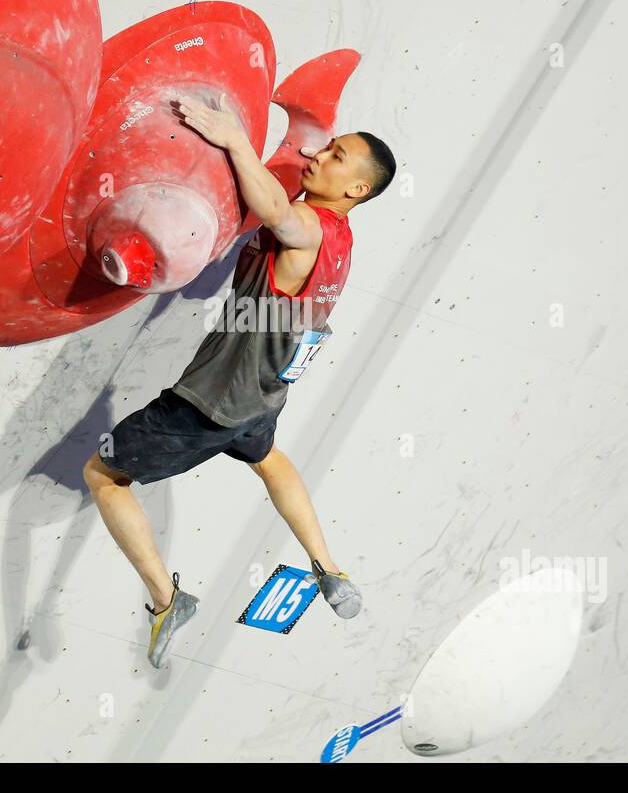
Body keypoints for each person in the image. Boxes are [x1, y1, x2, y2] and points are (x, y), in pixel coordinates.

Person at [82, 93, 397, 668]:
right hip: (265, 395)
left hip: (212, 404)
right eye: (327, 146)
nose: (319, 154)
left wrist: (233, 138)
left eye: (336, 156)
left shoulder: (308, 227)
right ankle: (330, 569)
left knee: (103, 474)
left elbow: (279, 213)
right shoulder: (343, 238)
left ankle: (165, 601)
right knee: (268, 458)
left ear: (356, 191)